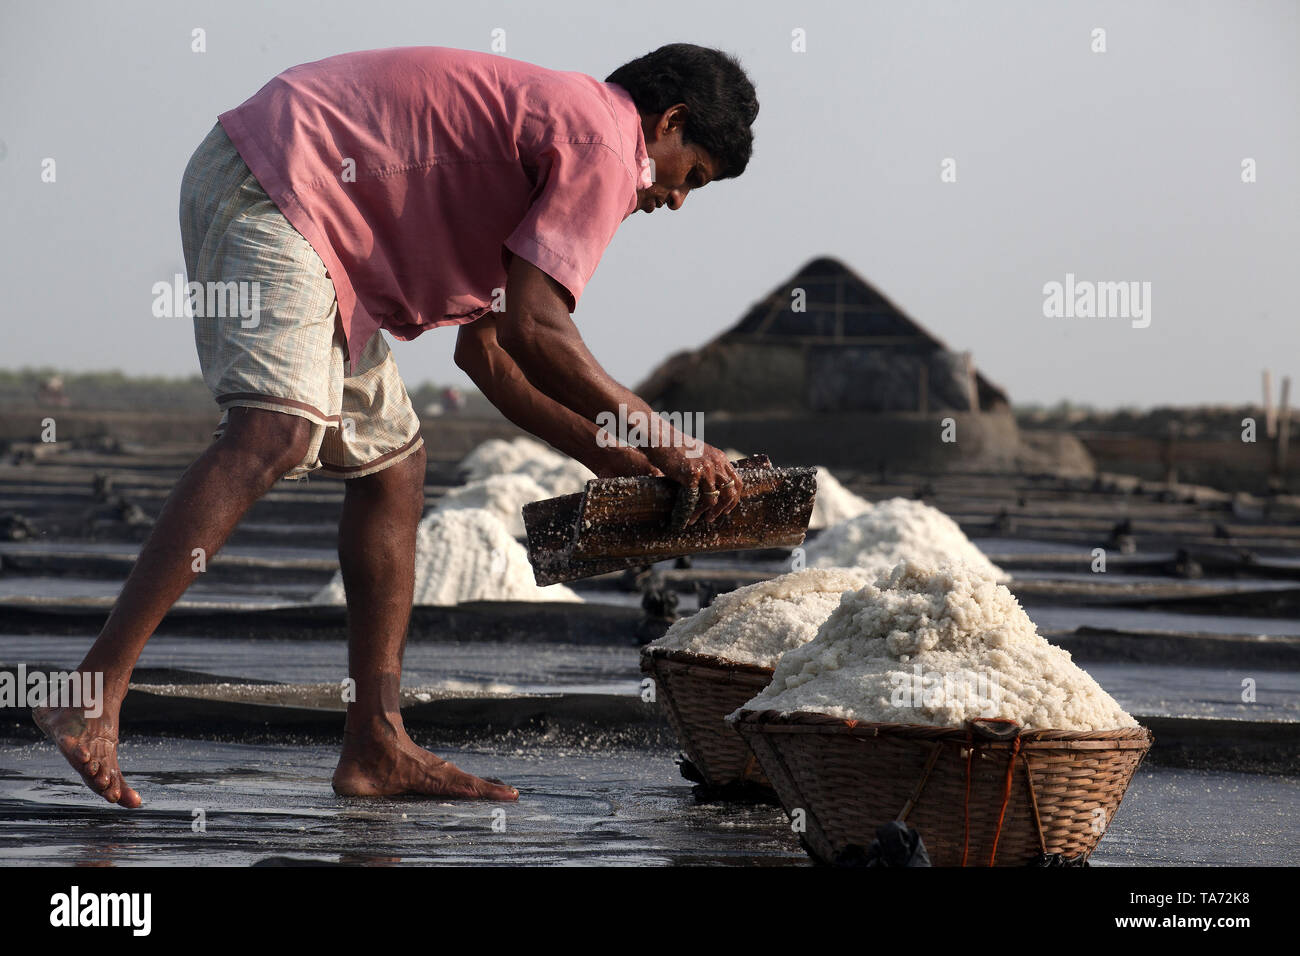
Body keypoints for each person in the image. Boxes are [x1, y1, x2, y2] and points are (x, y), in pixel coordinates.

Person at [34, 43, 759, 807]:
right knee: (275, 431)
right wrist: (663, 437)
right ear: (670, 121)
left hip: (318, 224)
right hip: (281, 186)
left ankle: (374, 745)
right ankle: (93, 686)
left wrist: (608, 454)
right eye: (693, 177)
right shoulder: (604, 143)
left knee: (394, 470)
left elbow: (492, 353)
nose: (676, 201)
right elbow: (541, 331)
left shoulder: (564, 137)